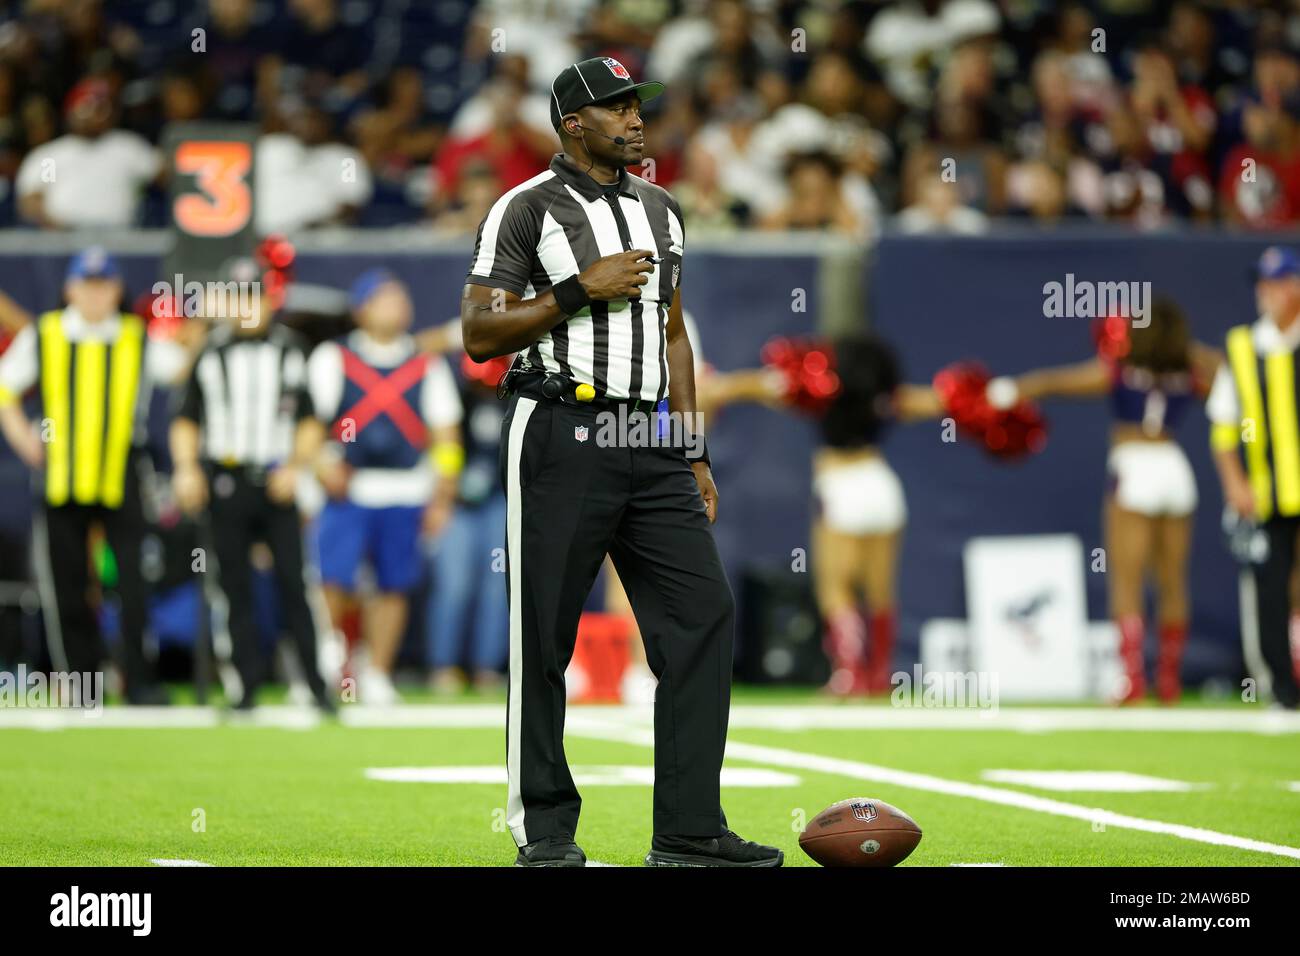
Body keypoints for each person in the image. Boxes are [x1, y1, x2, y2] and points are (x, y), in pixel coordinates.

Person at [460, 56, 781, 867]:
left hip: (650, 439)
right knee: (546, 637)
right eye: (616, 108)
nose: (636, 119)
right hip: (561, 427)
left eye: (639, 106)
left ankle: (689, 830)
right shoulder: (523, 209)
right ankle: (545, 831)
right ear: (573, 122)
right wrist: (576, 291)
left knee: (703, 617)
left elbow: (673, 330)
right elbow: (478, 334)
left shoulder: (665, 209)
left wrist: (693, 446)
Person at [999, 298, 1220, 704]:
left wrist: (1011, 389)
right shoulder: (1189, 374)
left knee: (1127, 579)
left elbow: (1056, 381)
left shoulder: (1118, 371)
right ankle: (1168, 682)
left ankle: (1132, 679)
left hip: (1134, 468)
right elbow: (1229, 370)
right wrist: (1183, 346)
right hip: (1175, 468)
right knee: (1173, 581)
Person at [0, 248, 179, 704]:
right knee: (69, 583)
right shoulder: (47, 334)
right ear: (70, 289)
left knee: (134, 582)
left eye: (104, 286)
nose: (96, 296)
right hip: (63, 476)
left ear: (116, 290)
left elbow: (184, 370)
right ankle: (83, 683)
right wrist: (25, 440)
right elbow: (4, 388)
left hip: (124, 474)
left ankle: (139, 680)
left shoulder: (138, 337)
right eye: (87, 285)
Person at [170, 261, 336, 713]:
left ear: (269, 301)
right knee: (233, 586)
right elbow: (186, 419)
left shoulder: (291, 350)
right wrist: (187, 469)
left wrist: (296, 468)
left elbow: (308, 420)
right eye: (239, 298)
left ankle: (318, 687)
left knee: (294, 584)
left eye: (255, 298)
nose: (247, 309)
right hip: (225, 479)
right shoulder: (209, 353)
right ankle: (244, 687)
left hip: (276, 478)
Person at [306, 270, 463, 705]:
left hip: (407, 489)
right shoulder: (331, 358)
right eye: (385, 299)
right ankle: (327, 664)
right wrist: (322, 464)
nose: (396, 306)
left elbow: (446, 434)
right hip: (349, 490)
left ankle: (376, 671)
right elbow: (310, 425)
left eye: (400, 297)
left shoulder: (425, 364)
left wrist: (442, 495)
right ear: (362, 310)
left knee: (394, 586)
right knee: (333, 579)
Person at [1206, 246, 1300, 710]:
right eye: (1263, 284)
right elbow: (1224, 426)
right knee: (1270, 590)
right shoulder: (1243, 346)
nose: (1267, 293)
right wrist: (1234, 483)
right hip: (1268, 493)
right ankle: (1282, 689)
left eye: (1277, 282)